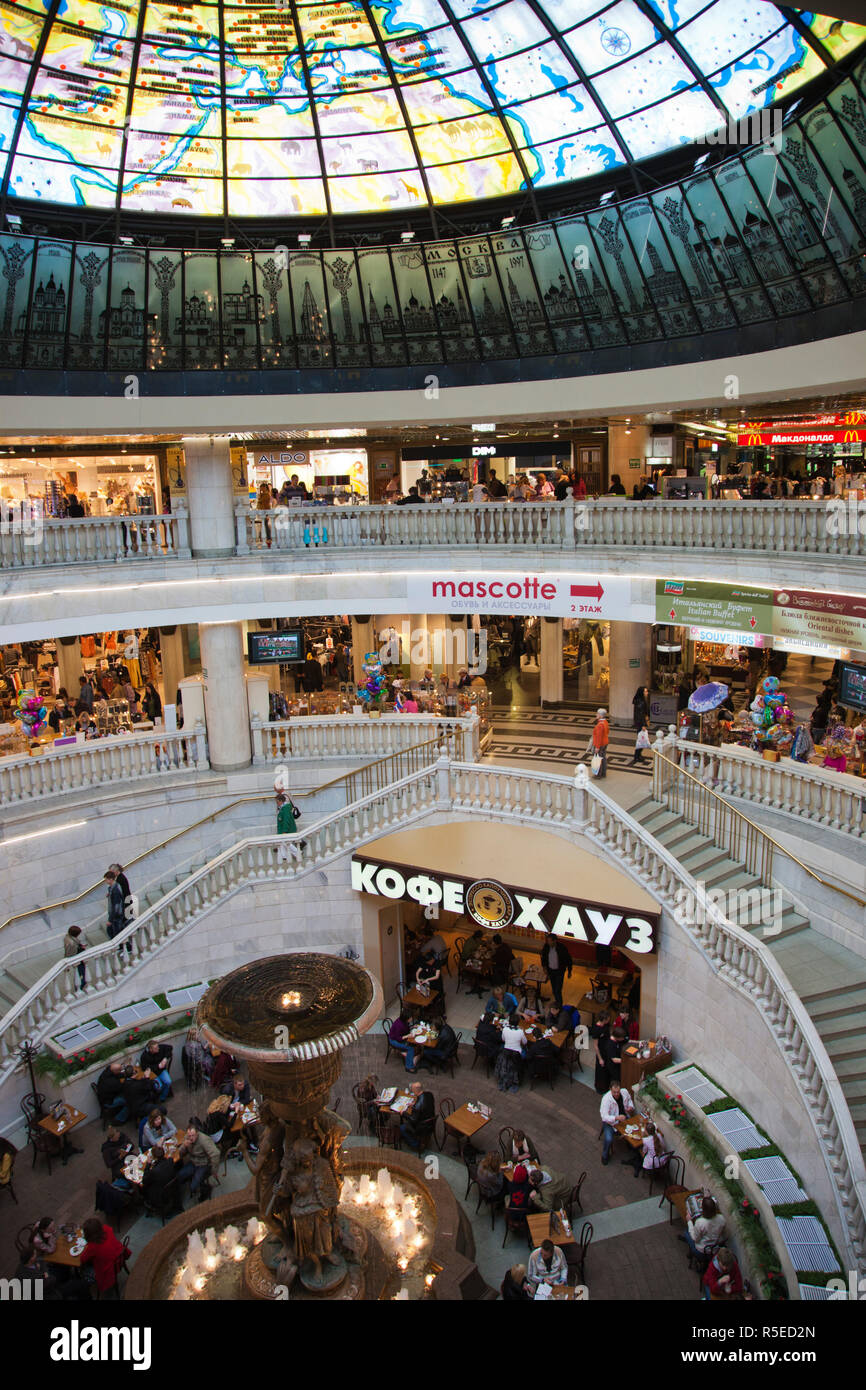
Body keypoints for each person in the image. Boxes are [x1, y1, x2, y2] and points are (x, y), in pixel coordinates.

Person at [79, 1218, 125, 1295]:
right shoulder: (107, 1229)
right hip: (118, 1259)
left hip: (107, 1270)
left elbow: (83, 1259)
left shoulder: (93, 1246)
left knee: (83, 1270)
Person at [177, 1124, 219, 1200]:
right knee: (180, 1176)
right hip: (193, 1162)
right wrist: (184, 1146)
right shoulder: (187, 1138)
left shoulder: (204, 1140)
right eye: (189, 1136)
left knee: (193, 1186)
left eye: (193, 1135)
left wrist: (214, 1171)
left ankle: (206, 1190)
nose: (191, 1138)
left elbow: (216, 1154)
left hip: (204, 1164)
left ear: (197, 1134)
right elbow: (180, 1154)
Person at [680, 1194, 727, 1260]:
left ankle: (691, 1254)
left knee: (687, 1232)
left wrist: (689, 1222)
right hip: (715, 1248)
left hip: (701, 1251)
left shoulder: (700, 1222)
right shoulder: (721, 1218)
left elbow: (695, 1239)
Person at [599, 1081, 635, 1165]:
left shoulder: (624, 1092)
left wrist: (630, 1107)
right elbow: (604, 1116)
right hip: (610, 1123)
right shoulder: (606, 1100)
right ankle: (605, 1155)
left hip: (624, 1118)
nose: (616, 1094)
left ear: (620, 1089)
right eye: (614, 1092)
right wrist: (616, 1117)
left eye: (618, 1092)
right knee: (608, 1139)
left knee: (634, 1129)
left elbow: (629, 1100)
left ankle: (629, 1143)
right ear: (610, 1090)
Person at [142, 1144, 183, 1216]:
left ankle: (150, 1205)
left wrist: (148, 1165)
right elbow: (169, 1158)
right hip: (173, 1187)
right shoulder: (170, 1161)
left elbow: (144, 1181)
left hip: (162, 1194)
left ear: (154, 1157)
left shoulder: (153, 1172)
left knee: (145, 1189)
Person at [494, 1011, 525, 1094]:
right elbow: (525, 1042)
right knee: (525, 1053)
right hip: (516, 1054)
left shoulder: (505, 1029)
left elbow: (503, 1039)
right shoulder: (520, 1032)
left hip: (506, 1052)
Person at [399, 1082, 435, 1150]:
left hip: (422, 1126)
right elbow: (423, 1103)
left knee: (402, 1128)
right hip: (430, 1121)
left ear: (415, 1091)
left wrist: (403, 1113)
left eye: (412, 1089)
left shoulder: (418, 1107)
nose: (411, 1091)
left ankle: (416, 1144)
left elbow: (413, 1119)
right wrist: (414, 1104)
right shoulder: (429, 1094)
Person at [540, 936, 572, 1009]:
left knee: (558, 990)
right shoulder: (546, 947)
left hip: (559, 971)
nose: (548, 942)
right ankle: (557, 1002)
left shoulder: (562, 948)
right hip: (551, 971)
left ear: (555, 941)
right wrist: (544, 967)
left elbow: (568, 959)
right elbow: (543, 957)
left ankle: (559, 1005)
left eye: (550, 941)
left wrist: (569, 971)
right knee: (554, 989)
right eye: (547, 941)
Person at [275, 791, 306, 860]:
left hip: (286, 829)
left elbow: (286, 820)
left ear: (281, 801)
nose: (276, 803)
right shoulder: (282, 808)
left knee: (285, 842)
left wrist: (284, 831)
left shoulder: (285, 808)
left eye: (277, 802)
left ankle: (298, 853)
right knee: (281, 842)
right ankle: (284, 856)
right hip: (282, 830)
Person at [104, 869, 129, 951]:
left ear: (111, 879)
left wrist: (110, 919)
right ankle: (123, 947)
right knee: (115, 931)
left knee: (117, 933)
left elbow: (116, 906)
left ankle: (125, 948)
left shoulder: (115, 890)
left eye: (106, 879)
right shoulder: (113, 887)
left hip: (117, 915)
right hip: (117, 914)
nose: (106, 881)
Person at [591, 1012, 611, 1094]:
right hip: (601, 1052)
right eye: (608, 1019)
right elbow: (595, 1046)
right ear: (604, 1020)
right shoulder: (596, 1029)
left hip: (607, 1050)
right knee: (601, 1070)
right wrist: (600, 1059)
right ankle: (600, 1088)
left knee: (606, 1069)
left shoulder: (606, 1026)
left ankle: (607, 1085)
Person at [63, 924, 87, 990]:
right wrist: (81, 949)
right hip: (78, 961)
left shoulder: (67, 938)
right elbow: (72, 953)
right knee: (81, 976)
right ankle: (79, 988)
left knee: (81, 975)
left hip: (77, 960)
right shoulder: (72, 943)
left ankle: (79, 987)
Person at [591, 707, 609, 779]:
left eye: (597, 713)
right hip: (605, 742)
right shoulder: (605, 722)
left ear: (601, 715)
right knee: (603, 757)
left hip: (600, 744)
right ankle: (603, 773)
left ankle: (599, 774)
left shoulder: (599, 725)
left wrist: (597, 747)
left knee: (598, 759)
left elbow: (598, 737)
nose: (596, 714)